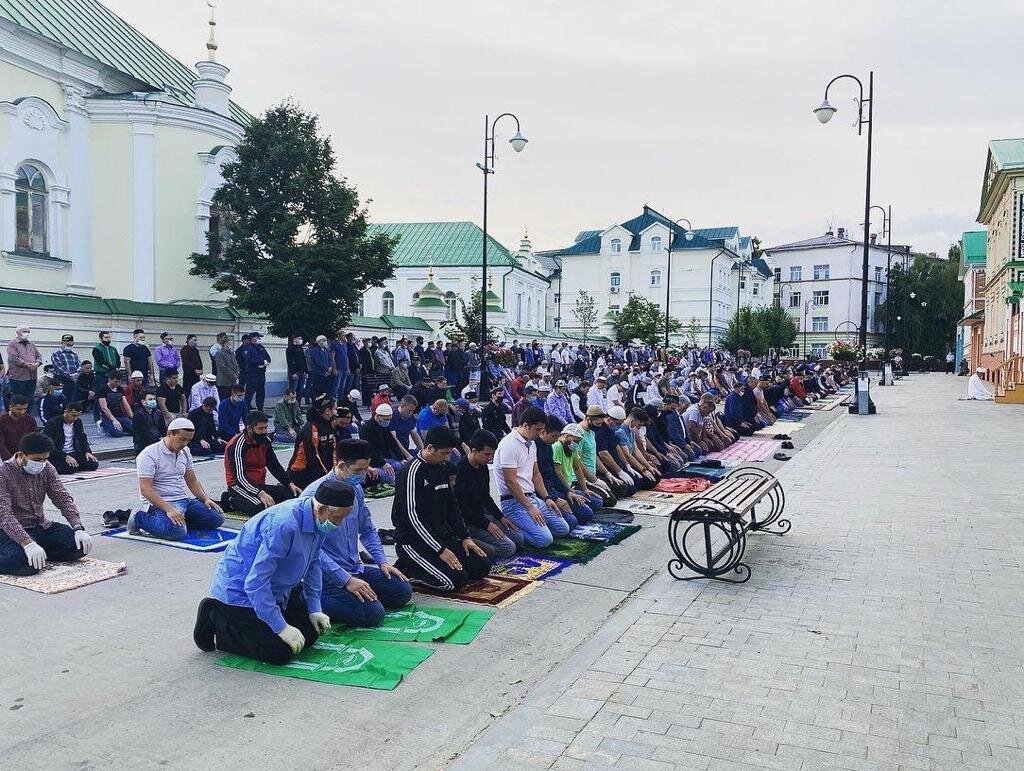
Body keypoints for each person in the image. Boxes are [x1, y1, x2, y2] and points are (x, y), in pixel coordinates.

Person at [193, 479, 355, 664]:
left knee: (309, 636)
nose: (340, 524)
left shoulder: (320, 519)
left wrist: (314, 608)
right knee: (279, 652)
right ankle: (216, 613)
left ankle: (263, 617)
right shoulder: (284, 525)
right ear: (321, 510)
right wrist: (280, 627)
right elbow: (255, 582)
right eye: (338, 518)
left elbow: (314, 563)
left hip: (277, 587)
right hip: (242, 590)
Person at [301, 439, 412, 627]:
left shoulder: (356, 489)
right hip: (325, 574)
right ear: (342, 465)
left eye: (366, 469)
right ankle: (309, 598)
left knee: (402, 590)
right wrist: (346, 580)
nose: (363, 475)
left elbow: (367, 530)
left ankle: (353, 597)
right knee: (373, 614)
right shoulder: (314, 496)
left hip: (354, 567)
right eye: (359, 471)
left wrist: (382, 562)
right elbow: (311, 551)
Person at [392, 427, 491, 591]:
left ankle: (431, 563)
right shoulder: (410, 472)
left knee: (482, 566)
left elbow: (453, 506)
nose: (447, 457)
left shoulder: (442, 468)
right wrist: (440, 550)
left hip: (441, 536)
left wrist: (465, 537)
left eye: (449, 453)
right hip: (414, 541)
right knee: (453, 582)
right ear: (429, 448)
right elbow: (412, 517)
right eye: (444, 453)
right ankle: (408, 567)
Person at [0, 432, 92, 575]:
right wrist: (27, 543)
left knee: (79, 546)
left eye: (45, 459)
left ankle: (38, 550)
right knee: (25, 564)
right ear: (21, 454)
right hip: (8, 530)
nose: (41, 464)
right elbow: (4, 515)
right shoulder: (3, 473)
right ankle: (25, 551)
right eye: (37, 459)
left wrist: (78, 527)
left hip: (40, 526)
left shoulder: (47, 468)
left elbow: (62, 498)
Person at [129, 418, 224, 540]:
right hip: (160, 504)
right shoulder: (149, 455)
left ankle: (177, 522)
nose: (185, 443)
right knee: (176, 532)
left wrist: (205, 499)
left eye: (188, 440)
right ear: (170, 434)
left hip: (183, 500)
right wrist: (169, 509)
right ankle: (138, 517)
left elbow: (192, 480)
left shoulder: (185, 451)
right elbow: (145, 489)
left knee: (216, 518)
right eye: (182, 439)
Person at [494, 407, 570, 547]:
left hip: (532, 496)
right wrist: (530, 507)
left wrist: (547, 498)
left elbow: (535, 473)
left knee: (563, 529)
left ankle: (532, 525)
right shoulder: (509, 445)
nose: (540, 433)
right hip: (514, 501)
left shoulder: (531, 443)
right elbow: (511, 482)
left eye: (542, 429)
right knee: (544, 540)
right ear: (525, 425)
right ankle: (510, 525)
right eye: (537, 429)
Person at [454, 430, 523, 560]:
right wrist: (486, 524)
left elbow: (486, 497)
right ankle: (471, 541)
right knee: (508, 548)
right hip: (469, 521)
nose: (490, 458)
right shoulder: (460, 470)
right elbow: (461, 508)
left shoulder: (482, 466)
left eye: (492, 455)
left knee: (518, 538)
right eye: (487, 454)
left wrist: (501, 517)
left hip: (482, 516)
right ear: (474, 451)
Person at [222, 412, 302, 516]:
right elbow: (239, 477)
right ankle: (230, 499)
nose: (264, 431)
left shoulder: (265, 440)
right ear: (250, 428)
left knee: (294, 495)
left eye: (266, 428)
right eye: (260, 429)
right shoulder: (237, 445)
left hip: (258, 485)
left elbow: (274, 465)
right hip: (239, 486)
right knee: (261, 507)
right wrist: (261, 493)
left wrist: (289, 483)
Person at [288, 394, 337, 489]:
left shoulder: (329, 424)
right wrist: (327, 478)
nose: (336, 411)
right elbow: (313, 457)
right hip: (301, 474)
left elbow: (333, 451)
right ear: (327, 411)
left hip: (319, 472)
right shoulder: (311, 428)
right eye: (335, 409)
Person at [43, 402, 98, 475]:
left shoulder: (78, 422)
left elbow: (82, 438)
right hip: (59, 455)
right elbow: (48, 445)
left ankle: (76, 465)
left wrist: (87, 451)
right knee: (69, 468)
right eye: (73, 415)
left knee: (93, 464)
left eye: (78, 416)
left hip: (74, 453)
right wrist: (65, 456)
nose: (75, 418)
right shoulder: (52, 423)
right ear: (66, 412)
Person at [359, 403, 406, 480]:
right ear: (377, 416)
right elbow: (369, 450)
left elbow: (393, 443)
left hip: (384, 458)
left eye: (389, 419)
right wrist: (383, 463)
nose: (388, 422)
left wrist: (401, 458)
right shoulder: (366, 429)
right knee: (390, 477)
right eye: (386, 419)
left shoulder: (384, 425)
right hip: (372, 462)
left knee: (402, 467)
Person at [6, 326, 43, 403]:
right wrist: (27, 365)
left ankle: (28, 414)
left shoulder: (31, 345)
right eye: (24, 331)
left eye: (28, 332)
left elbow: (39, 356)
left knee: (30, 399)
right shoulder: (12, 344)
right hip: (18, 378)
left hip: (32, 378)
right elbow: (13, 358)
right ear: (17, 332)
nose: (27, 333)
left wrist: (36, 364)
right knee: (18, 400)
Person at [91, 330, 121, 423]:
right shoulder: (97, 348)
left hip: (112, 375)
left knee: (111, 395)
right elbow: (100, 361)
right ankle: (97, 417)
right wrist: (110, 367)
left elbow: (118, 359)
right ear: (101, 338)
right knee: (99, 395)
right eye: (106, 337)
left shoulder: (113, 349)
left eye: (109, 337)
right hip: (102, 375)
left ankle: (109, 415)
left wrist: (116, 367)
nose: (108, 339)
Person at [96, 371, 134, 438]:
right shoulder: (103, 390)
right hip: (108, 417)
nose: (118, 383)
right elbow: (104, 408)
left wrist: (132, 417)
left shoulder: (120, 389)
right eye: (116, 381)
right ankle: (103, 425)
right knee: (117, 434)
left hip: (120, 415)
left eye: (119, 381)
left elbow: (125, 404)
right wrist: (114, 420)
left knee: (135, 430)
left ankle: (123, 428)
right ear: (110, 379)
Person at [0, 396, 38, 461]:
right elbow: (1, 445)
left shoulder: (30, 420)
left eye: (25, 409)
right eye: (19, 409)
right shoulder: (2, 421)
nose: (22, 412)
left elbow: (34, 439)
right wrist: (11, 460)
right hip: (8, 455)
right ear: (10, 407)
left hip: (27, 455)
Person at [132, 389, 168, 455]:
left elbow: (163, 429)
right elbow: (141, 434)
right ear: (143, 401)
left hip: (157, 442)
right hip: (143, 445)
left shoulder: (158, 413)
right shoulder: (139, 414)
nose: (153, 401)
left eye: (154, 399)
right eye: (150, 399)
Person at [243, 332, 272, 411]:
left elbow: (268, 357)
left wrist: (266, 362)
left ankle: (260, 409)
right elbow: (249, 360)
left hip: (261, 373)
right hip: (252, 373)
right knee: (250, 392)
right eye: (258, 337)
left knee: (261, 392)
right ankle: (246, 411)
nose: (259, 339)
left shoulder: (261, 347)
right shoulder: (247, 348)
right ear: (253, 338)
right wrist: (260, 363)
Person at [50, 334, 82, 404]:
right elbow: (59, 367)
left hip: (72, 381)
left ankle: (69, 414)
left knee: (70, 402)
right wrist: (71, 375)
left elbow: (79, 366)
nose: (69, 346)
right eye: (68, 344)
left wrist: (77, 374)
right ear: (62, 343)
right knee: (59, 401)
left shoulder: (74, 354)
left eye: (71, 345)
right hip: (60, 380)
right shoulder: (56, 354)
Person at [214, 335, 239, 400]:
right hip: (224, 381)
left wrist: (237, 373)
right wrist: (233, 376)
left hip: (232, 382)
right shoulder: (219, 353)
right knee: (224, 399)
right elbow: (223, 367)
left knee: (232, 399)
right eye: (229, 342)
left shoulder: (231, 353)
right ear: (224, 343)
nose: (230, 344)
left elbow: (236, 364)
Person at [286, 335, 308, 403]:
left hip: (302, 372)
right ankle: (290, 406)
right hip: (295, 373)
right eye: (299, 338)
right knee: (293, 391)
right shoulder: (290, 349)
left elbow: (303, 360)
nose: (301, 340)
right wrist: (293, 372)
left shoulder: (300, 348)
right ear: (295, 339)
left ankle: (298, 406)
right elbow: (289, 362)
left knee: (300, 391)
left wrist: (306, 371)